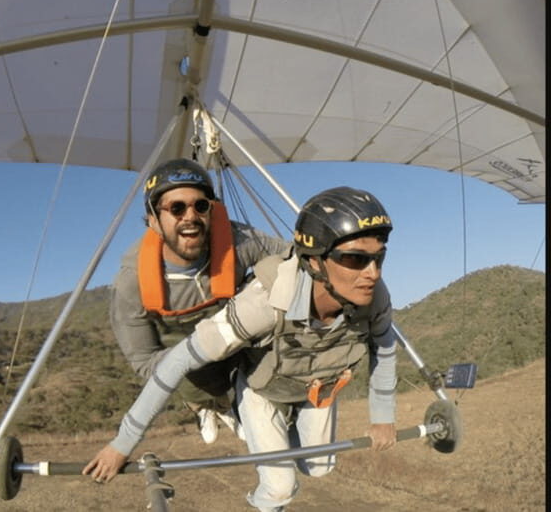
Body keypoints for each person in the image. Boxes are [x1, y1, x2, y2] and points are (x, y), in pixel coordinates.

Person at [85, 186, 398, 511]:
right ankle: (237, 423)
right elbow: (175, 362)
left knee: (319, 468)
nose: (372, 273)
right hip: (264, 388)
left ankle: (278, 431)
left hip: (317, 385)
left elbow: (385, 347)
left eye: (379, 257)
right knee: (280, 487)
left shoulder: (375, 295)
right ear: (316, 262)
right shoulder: (264, 302)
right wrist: (122, 444)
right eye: (354, 259)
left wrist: (383, 417)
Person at [110, 158, 289, 444]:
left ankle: (237, 402)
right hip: (190, 359)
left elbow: (294, 259)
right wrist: (200, 351)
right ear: (154, 220)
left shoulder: (239, 240)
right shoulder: (132, 282)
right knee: (197, 381)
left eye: (200, 206)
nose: (190, 216)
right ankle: (203, 406)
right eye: (176, 208)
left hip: (238, 338)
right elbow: (144, 361)